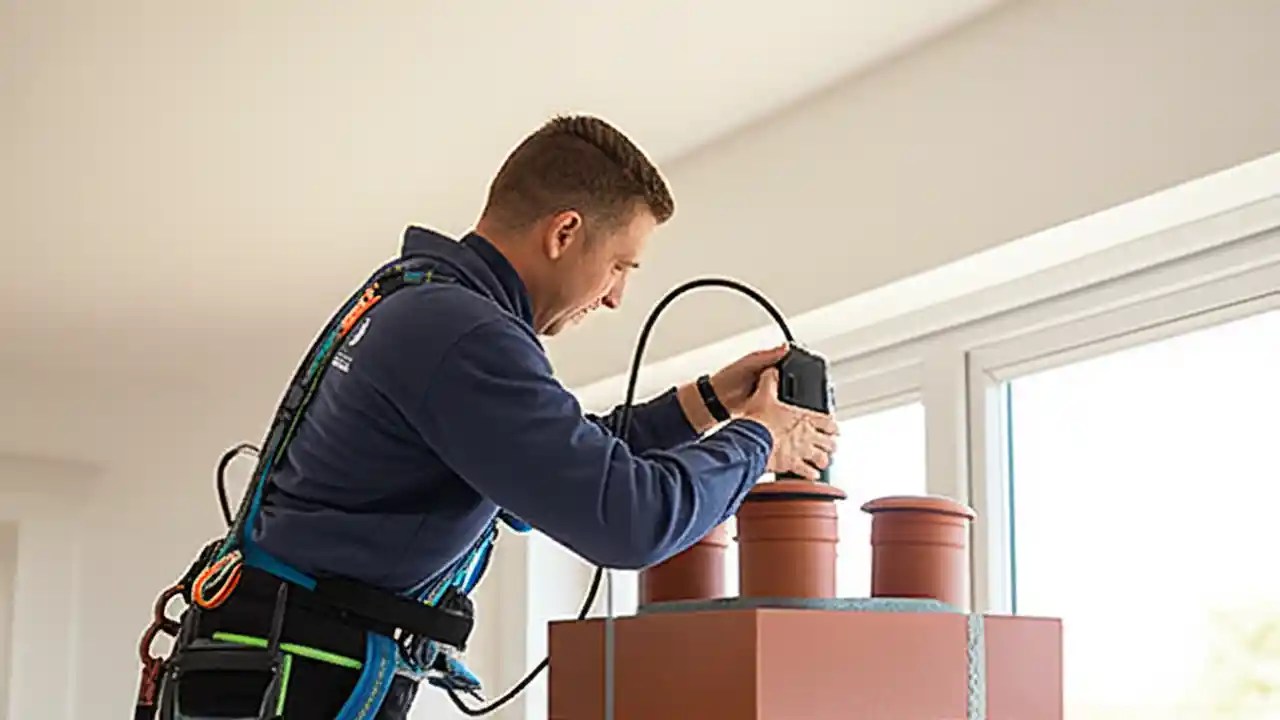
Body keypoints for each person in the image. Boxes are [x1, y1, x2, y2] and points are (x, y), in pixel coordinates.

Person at [169, 114, 838, 719]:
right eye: (619, 267)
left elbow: (555, 467)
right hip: (294, 678)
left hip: (274, 664)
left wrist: (708, 403)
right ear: (565, 231)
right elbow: (628, 520)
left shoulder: (423, 303)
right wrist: (760, 440)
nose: (615, 298)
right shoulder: (464, 336)